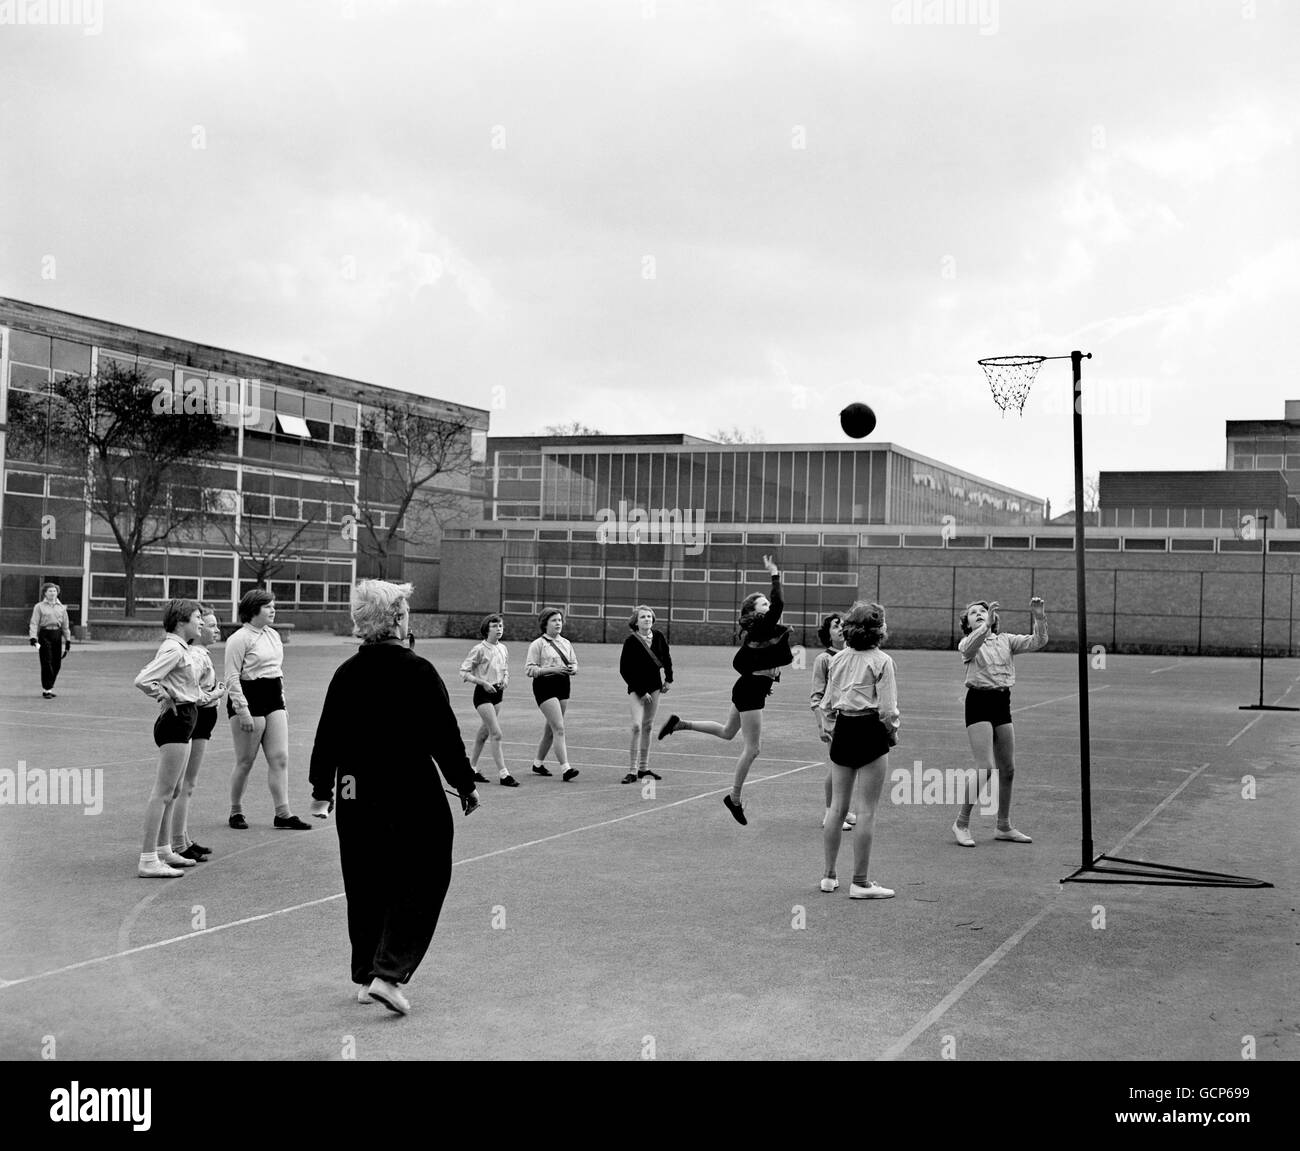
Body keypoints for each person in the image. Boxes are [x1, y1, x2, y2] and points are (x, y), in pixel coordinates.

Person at [308, 580, 478, 1015]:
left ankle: (367, 975)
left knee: (366, 882)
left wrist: (321, 791)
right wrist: (464, 782)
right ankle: (388, 973)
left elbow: (327, 734)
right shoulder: (416, 670)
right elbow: (443, 733)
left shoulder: (346, 672)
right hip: (409, 790)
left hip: (354, 792)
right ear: (399, 618)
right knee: (424, 874)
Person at [658, 555, 791, 825]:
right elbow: (779, 603)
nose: (769, 605)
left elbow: (763, 655)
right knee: (753, 749)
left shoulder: (762, 630)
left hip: (749, 688)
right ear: (756, 611)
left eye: (767, 601)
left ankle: (681, 724)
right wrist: (775, 574)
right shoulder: (763, 626)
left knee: (728, 733)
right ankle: (735, 798)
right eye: (763, 603)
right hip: (751, 690)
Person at [951, 597, 1048, 848]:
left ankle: (1003, 825)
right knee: (985, 767)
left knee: (1009, 769)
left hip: (1002, 703)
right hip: (978, 702)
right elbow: (968, 648)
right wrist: (986, 627)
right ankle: (961, 823)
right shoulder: (968, 641)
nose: (979, 614)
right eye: (973, 613)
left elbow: (1038, 641)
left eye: (983, 611)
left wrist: (1039, 616)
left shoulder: (1005, 640)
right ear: (967, 623)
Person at [818, 601, 899, 899]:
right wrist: (892, 734)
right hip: (870, 731)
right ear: (879, 630)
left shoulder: (837, 659)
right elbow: (888, 710)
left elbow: (827, 702)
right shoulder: (882, 661)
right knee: (866, 811)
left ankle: (828, 876)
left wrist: (830, 726)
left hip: (843, 730)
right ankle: (861, 882)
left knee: (836, 808)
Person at [224, 588, 310, 830]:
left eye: (274, 605)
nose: (273, 610)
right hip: (248, 699)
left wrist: (282, 703)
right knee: (245, 761)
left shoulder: (273, 635)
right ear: (253, 610)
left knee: (280, 758)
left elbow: (276, 672)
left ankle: (283, 813)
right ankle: (236, 811)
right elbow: (231, 677)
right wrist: (242, 710)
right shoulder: (239, 639)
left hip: (273, 699)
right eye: (268, 606)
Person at [133, 600, 206, 878]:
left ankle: (163, 850)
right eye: (197, 617)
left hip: (186, 718)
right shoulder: (173, 648)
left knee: (173, 791)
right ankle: (148, 859)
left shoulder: (181, 648)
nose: (200, 622)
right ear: (181, 621)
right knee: (162, 792)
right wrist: (161, 694)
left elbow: (185, 686)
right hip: (175, 723)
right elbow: (143, 679)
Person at [169, 607, 224, 862]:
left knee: (187, 784)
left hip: (203, 721)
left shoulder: (201, 654)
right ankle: (179, 843)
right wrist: (215, 694)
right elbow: (192, 693)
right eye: (209, 625)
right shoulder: (197, 656)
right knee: (185, 785)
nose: (214, 630)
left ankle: (184, 837)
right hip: (197, 720)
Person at [810, 613, 856, 832]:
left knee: (849, 766)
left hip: (852, 718)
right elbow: (816, 696)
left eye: (843, 625)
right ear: (827, 633)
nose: (840, 628)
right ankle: (830, 812)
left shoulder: (853, 654)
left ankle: (842, 808)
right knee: (837, 767)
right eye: (835, 626)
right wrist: (821, 725)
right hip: (833, 720)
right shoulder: (824, 659)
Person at [460, 614, 517, 787]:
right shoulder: (479, 649)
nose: (499, 628)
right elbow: (464, 672)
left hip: (497, 694)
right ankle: (504, 774)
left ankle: (471, 768)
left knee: (484, 734)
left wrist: (506, 679)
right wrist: (483, 683)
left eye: (500, 625)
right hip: (483, 695)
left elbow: (505, 668)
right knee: (496, 733)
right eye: (495, 626)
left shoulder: (503, 648)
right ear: (487, 629)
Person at [618, 606, 673, 785]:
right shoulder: (631, 641)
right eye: (643, 617)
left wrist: (669, 679)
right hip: (636, 688)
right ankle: (632, 770)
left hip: (655, 686)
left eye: (649, 616)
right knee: (636, 726)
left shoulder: (658, 637)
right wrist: (641, 692)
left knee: (648, 726)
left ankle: (643, 768)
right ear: (636, 621)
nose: (647, 619)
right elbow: (625, 669)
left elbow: (667, 658)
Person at [524, 608, 579, 782]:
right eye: (554, 620)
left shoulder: (566, 643)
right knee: (559, 728)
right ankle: (566, 768)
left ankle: (537, 764)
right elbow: (530, 669)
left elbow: (575, 663)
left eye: (560, 620)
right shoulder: (537, 644)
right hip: (544, 686)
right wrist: (552, 669)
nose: (558, 623)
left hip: (563, 684)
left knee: (551, 729)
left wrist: (573, 669)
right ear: (545, 623)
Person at [29, 582, 72, 698]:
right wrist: (33, 637)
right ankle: (47, 689)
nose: (52, 593)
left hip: (57, 634)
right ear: (45, 593)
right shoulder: (39, 607)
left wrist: (68, 641)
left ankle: (49, 687)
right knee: (46, 662)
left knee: (56, 663)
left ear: (57, 592)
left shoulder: (62, 608)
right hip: (45, 634)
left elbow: (65, 626)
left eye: (54, 591)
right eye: (50, 591)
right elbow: (34, 623)